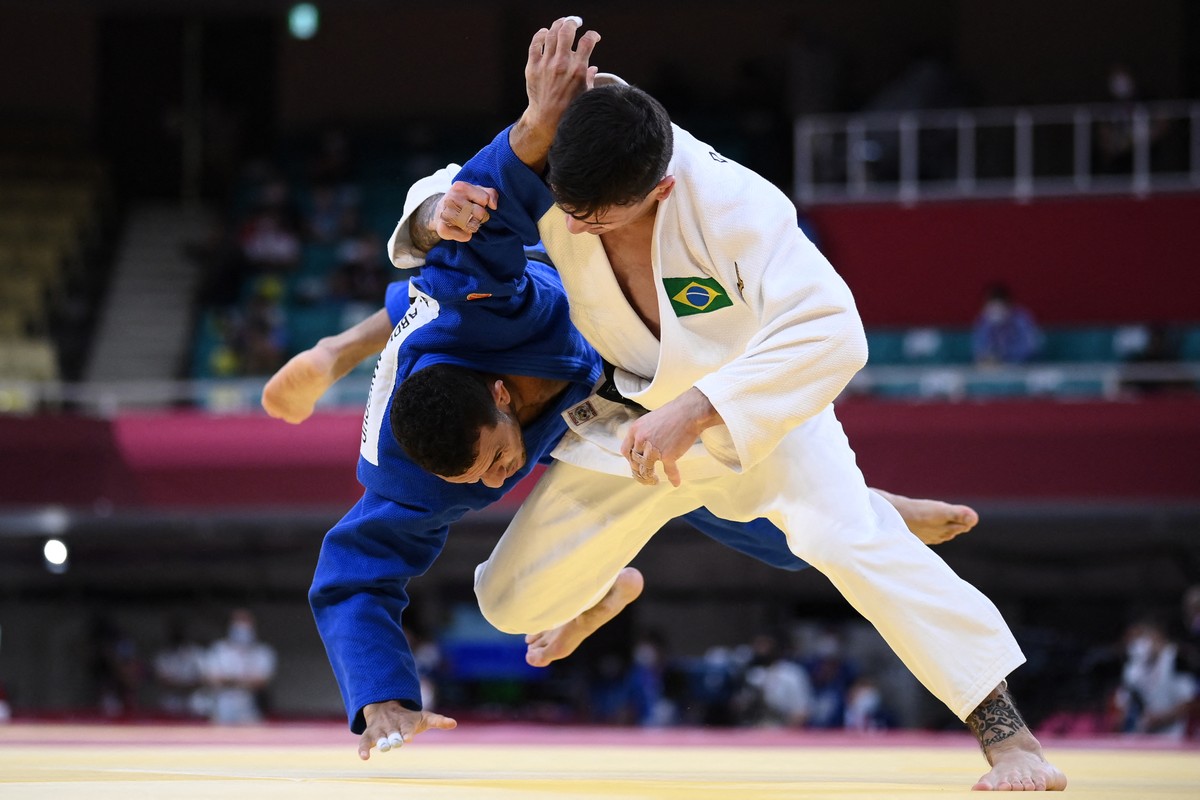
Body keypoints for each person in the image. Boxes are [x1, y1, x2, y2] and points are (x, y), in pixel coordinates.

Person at [386, 18, 1064, 790]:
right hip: (629, 429)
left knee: (848, 545)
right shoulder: (565, 157)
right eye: (567, 208)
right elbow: (450, 188)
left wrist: (704, 405)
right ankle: (604, 584)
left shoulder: (734, 205)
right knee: (510, 603)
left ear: (660, 188)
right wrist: (439, 209)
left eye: (595, 218)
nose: (572, 227)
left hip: (759, 421)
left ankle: (1011, 740)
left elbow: (835, 330)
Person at [284, 109, 973, 762]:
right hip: (560, 394)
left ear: (499, 396)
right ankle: (601, 586)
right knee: (665, 480)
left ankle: (859, 505)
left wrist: (530, 127)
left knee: (708, 474)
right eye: (479, 484)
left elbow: (458, 236)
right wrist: (382, 699)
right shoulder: (411, 479)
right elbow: (351, 575)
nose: (499, 483)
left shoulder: (478, 301)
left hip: (590, 333)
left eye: (497, 459)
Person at [203, 609, 277, 725]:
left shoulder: (263, 652)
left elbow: (261, 682)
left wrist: (229, 680)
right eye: (238, 622)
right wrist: (244, 681)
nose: (242, 627)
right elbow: (212, 679)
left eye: (246, 622)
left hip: (250, 710)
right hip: (222, 710)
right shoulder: (218, 649)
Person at [971, 283, 1041, 365]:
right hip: (995, 369)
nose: (995, 311)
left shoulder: (1021, 319)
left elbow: (1030, 347)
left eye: (998, 307)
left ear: (1008, 305)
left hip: (1024, 366)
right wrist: (985, 357)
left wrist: (1003, 358)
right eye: (991, 306)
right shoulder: (984, 320)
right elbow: (979, 347)